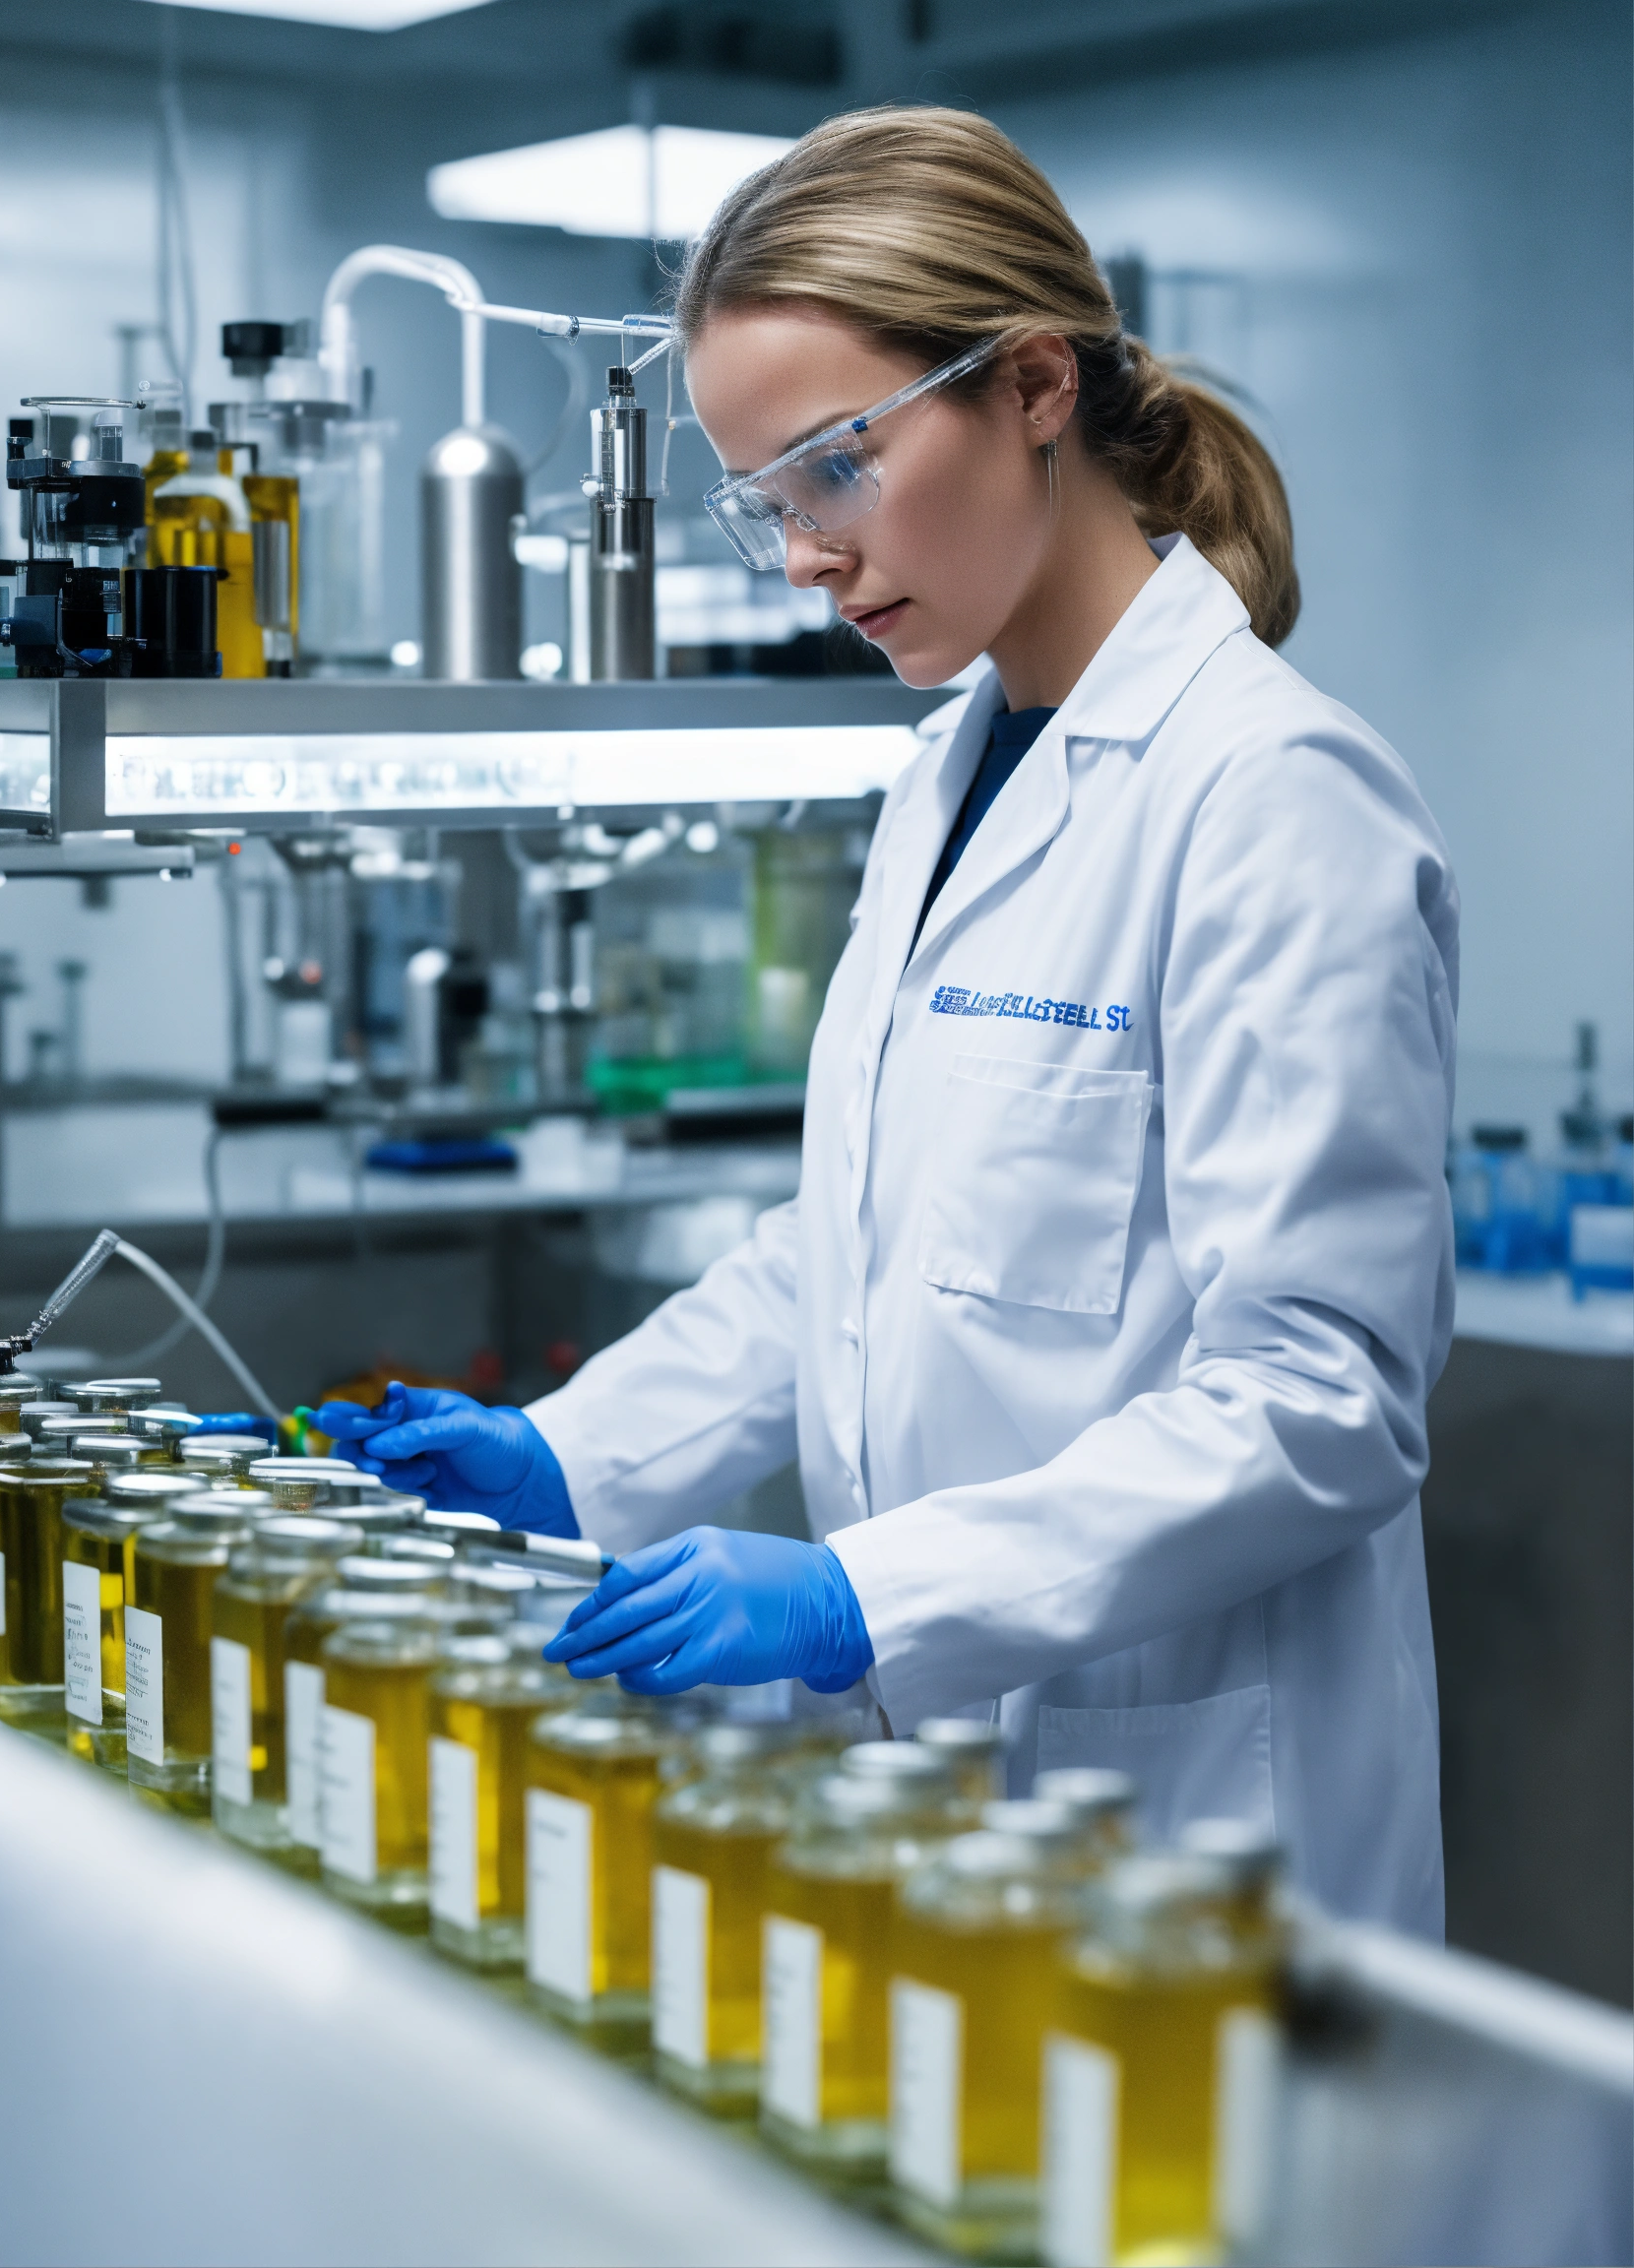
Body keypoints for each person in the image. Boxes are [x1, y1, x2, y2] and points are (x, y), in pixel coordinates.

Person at [320, 106, 1457, 1934]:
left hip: (1189, 1837)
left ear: (1029, 385)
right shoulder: (943, 776)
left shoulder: (1272, 793)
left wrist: (875, 1596)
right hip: (937, 1805)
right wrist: (576, 1455)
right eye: (765, 500)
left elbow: (1320, 1402)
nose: (804, 557)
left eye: (836, 467)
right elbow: (855, 1255)